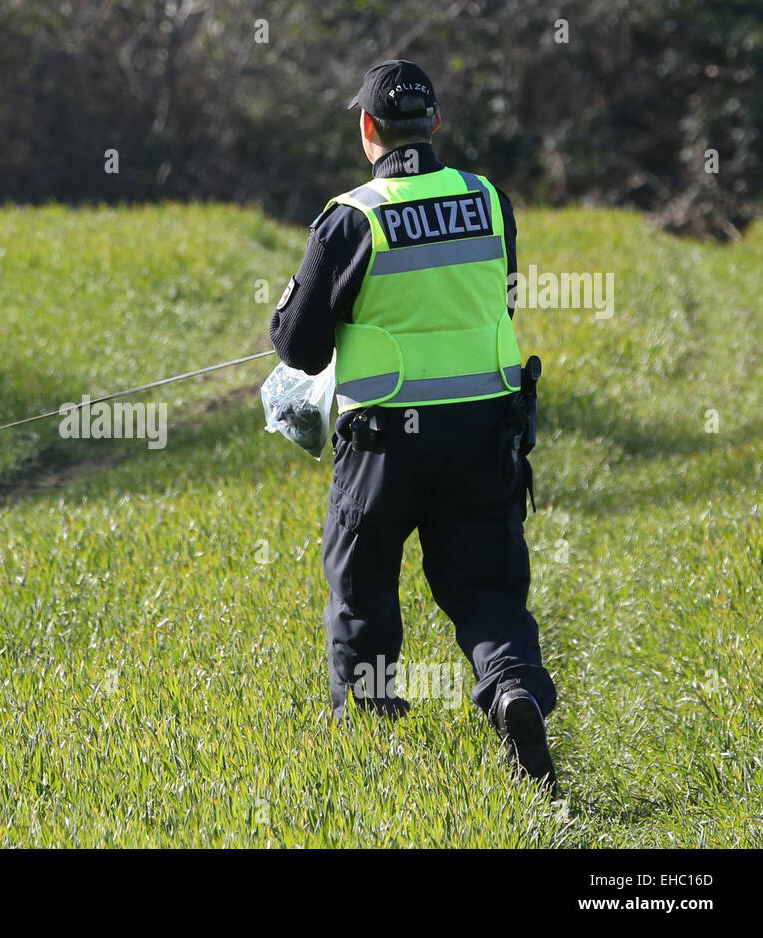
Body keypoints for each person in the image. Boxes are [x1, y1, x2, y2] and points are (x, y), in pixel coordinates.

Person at [268, 60, 558, 789]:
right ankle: (513, 689)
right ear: (433, 126)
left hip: (384, 444)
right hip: (485, 433)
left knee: (363, 584)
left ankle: (370, 738)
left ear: (368, 129)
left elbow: (300, 348)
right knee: (486, 585)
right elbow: (500, 301)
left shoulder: (350, 217)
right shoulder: (490, 201)